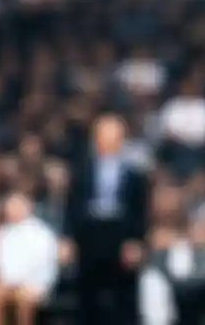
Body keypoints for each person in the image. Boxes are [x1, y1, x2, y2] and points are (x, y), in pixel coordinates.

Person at [64, 113, 150, 324]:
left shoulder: (135, 174)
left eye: (114, 137)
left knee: (124, 298)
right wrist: (67, 238)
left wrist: (136, 241)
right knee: (87, 297)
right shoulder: (82, 170)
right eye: (103, 136)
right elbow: (71, 206)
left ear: (122, 140)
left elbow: (140, 211)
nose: (108, 142)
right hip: (89, 234)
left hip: (121, 234)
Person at [0, 192, 59, 325]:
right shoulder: (3, 232)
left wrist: (23, 283)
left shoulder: (41, 233)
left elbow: (44, 264)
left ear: (27, 207)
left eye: (16, 207)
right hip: (8, 282)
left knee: (24, 298)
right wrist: (6, 280)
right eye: (9, 207)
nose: (12, 211)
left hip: (35, 283)